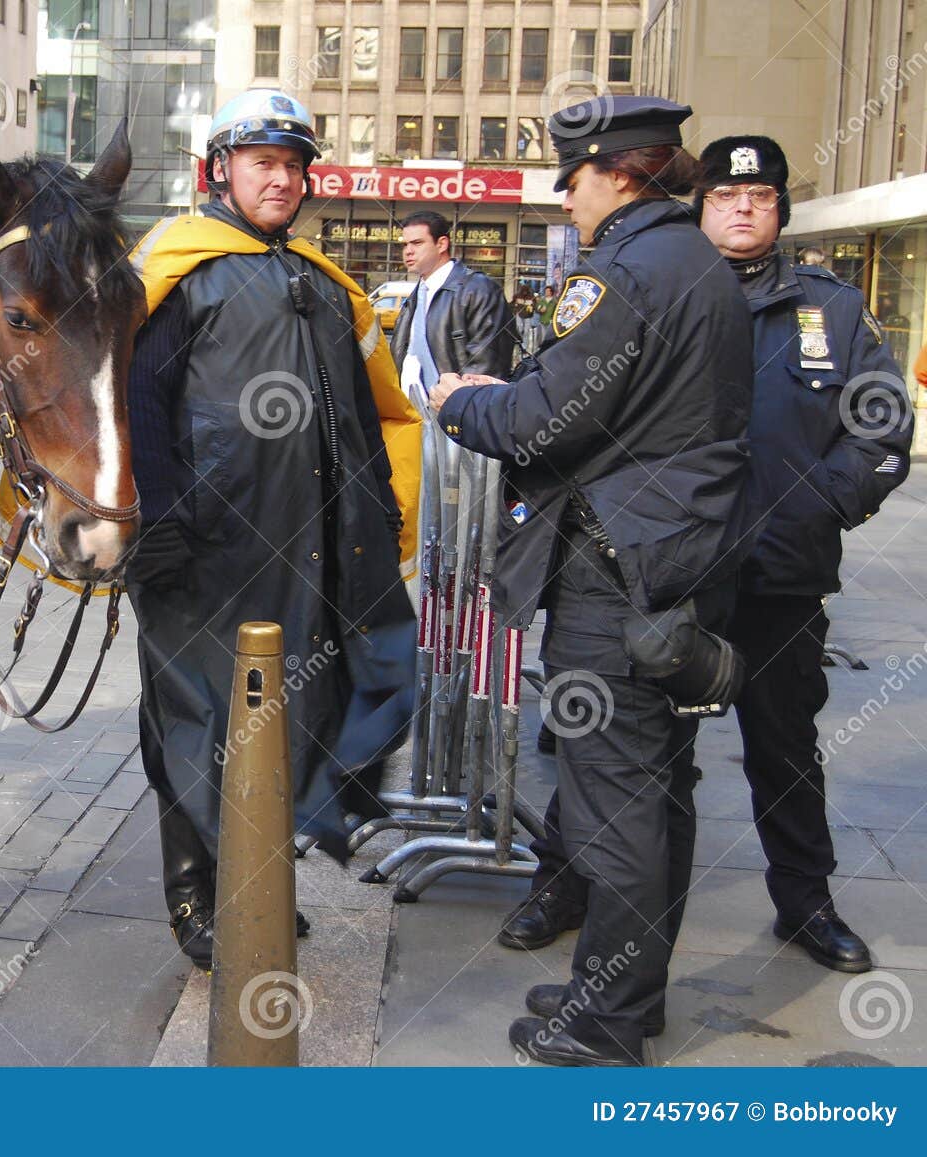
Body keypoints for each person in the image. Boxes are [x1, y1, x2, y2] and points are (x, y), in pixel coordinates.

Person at [428, 96, 755, 1065]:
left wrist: (463, 403)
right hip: (676, 560)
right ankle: (626, 992)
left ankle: (605, 1022)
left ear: (613, 172)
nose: (563, 197)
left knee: (617, 805)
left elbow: (541, 420)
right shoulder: (697, 260)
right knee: (659, 795)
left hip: (615, 576)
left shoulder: (620, 271)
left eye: (569, 179)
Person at [124, 89, 422, 969]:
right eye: (263, 163)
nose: (282, 180)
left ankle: (254, 884)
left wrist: (379, 505)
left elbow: (364, 417)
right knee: (197, 722)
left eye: (294, 166)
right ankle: (194, 892)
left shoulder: (327, 288)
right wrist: (162, 518)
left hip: (311, 551)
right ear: (221, 170)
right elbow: (138, 401)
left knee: (292, 721)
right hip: (205, 555)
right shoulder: (178, 269)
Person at [692, 135, 911, 969]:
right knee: (634, 746)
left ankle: (805, 901)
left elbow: (883, 421)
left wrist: (821, 502)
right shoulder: (664, 293)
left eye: (760, 197)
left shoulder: (835, 307)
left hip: (782, 577)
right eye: (724, 196)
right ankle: (575, 885)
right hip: (674, 576)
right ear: (701, 206)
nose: (743, 207)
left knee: (784, 746)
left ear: (780, 210)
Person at [388, 211, 515, 397]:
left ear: (441, 244)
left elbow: (486, 368)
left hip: (455, 415)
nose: (408, 251)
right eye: (405, 244)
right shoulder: (417, 295)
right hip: (415, 415)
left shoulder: (479, 289)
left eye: (417, 243)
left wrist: (457, 409)